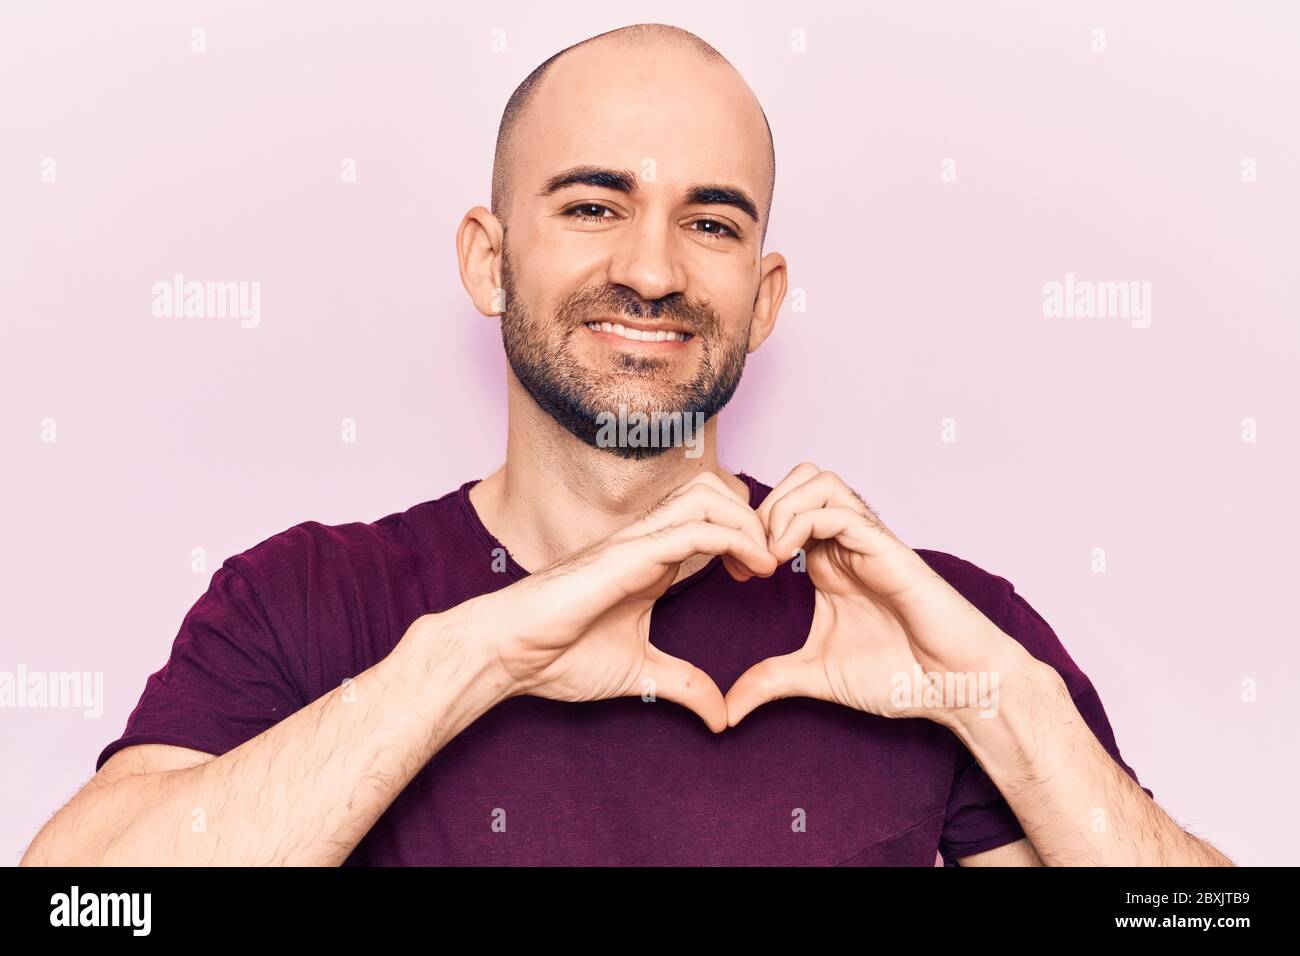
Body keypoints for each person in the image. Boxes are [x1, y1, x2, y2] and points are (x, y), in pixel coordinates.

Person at [22, 23, 1230, 867]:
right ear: (488, 259)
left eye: (709, 221)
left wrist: (1004, 706)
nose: (650, 269)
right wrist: (472, 657)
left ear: (763, 297)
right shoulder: (307, 601)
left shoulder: (929, 622)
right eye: (594, 205)